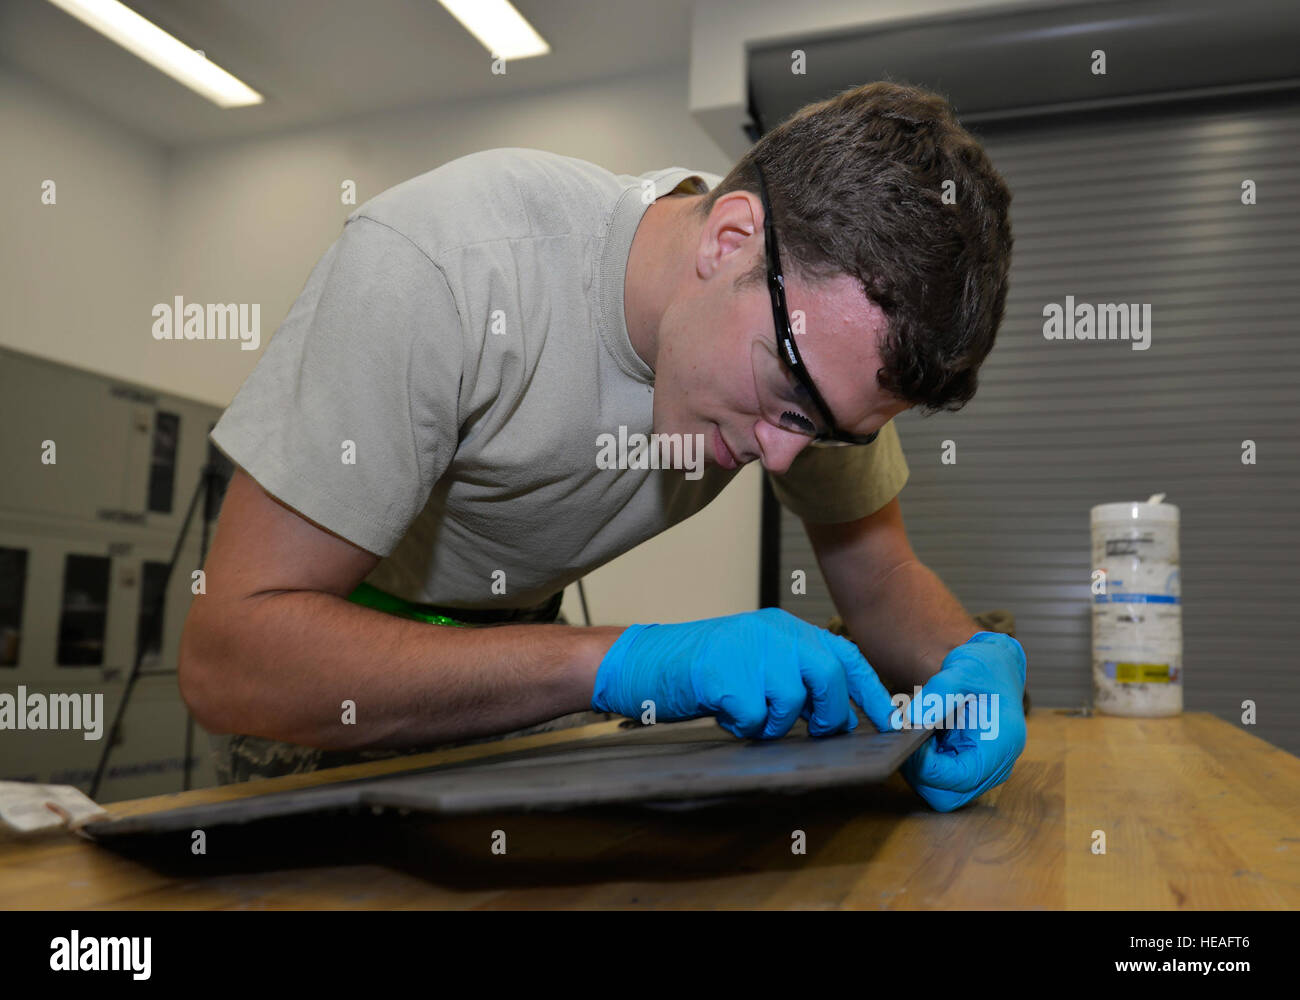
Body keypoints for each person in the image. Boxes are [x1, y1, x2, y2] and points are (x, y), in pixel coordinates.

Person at [179, 80, 1026, 811]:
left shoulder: (824, 357)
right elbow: (231, 661)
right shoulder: (445, 270)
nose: (783, 457)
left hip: (519, 668)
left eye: (831, 431)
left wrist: (975, 666)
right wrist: (627, 660)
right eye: (790, 396)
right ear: (729, 239)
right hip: (330, 679)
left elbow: (879, 580)